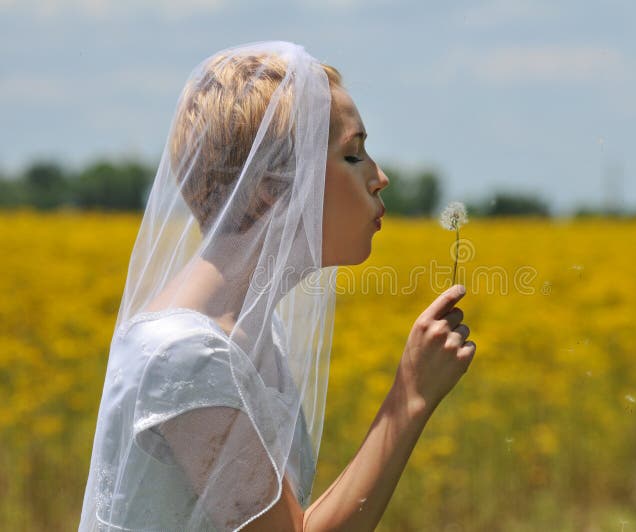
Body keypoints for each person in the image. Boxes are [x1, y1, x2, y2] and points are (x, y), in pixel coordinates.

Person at [78, 41, 476, 532]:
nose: (381, 178)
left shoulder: (253, 335)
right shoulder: (184, 356)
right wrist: (410, 397)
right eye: (353, 155)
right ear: (271, 183)